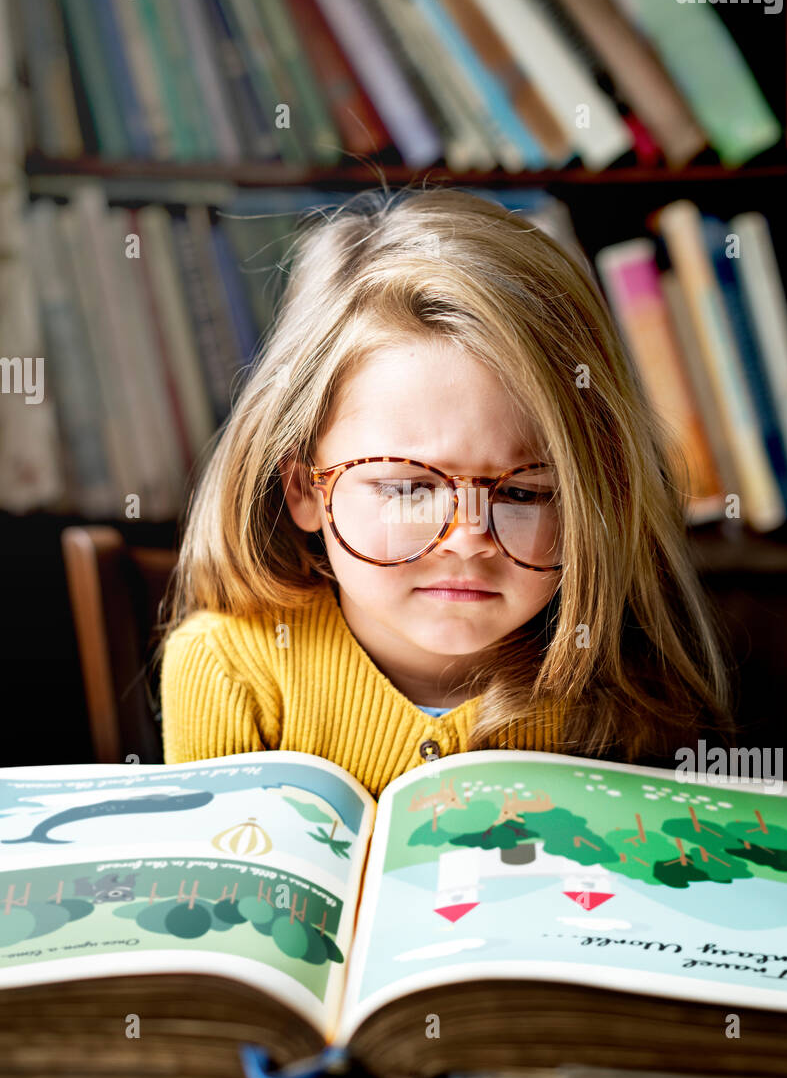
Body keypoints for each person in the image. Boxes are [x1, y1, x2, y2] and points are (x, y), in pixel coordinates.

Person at [158, 187, 732, 798]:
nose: (468, 539)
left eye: (526, 495)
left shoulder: (621, 689)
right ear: (302, 487)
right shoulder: (226, 671)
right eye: (407, 488)